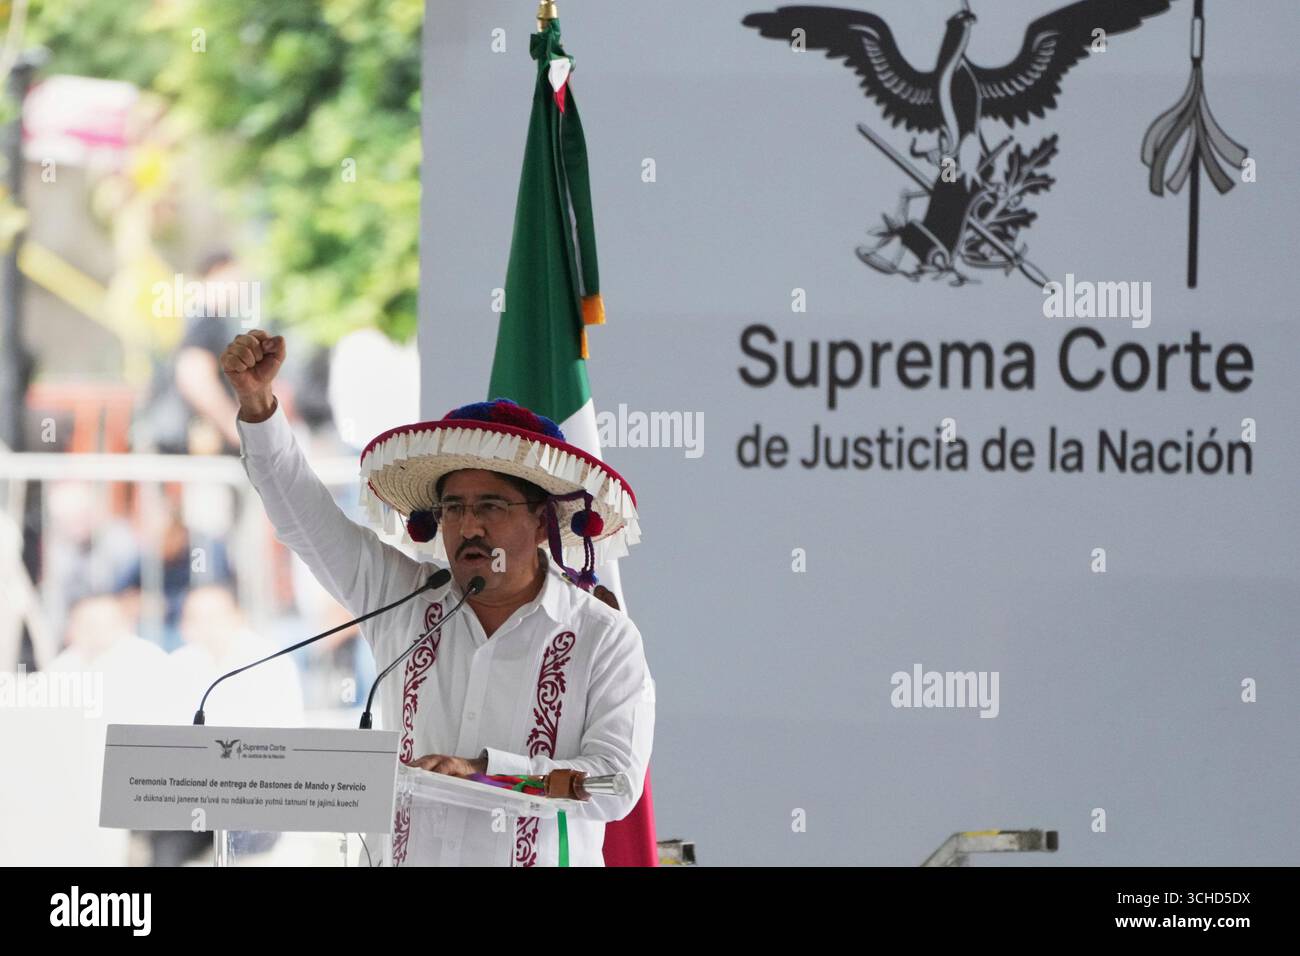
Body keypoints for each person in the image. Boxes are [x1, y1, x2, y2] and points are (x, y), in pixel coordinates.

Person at [221, 329, 653, 867]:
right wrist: (259, 406)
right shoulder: (401, 597)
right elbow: (305, 519)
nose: (468, 526)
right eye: (453, 507)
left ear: (543, 522)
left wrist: (483, 771)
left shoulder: (602, 637)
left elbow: (615, 784)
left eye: (491, 505)